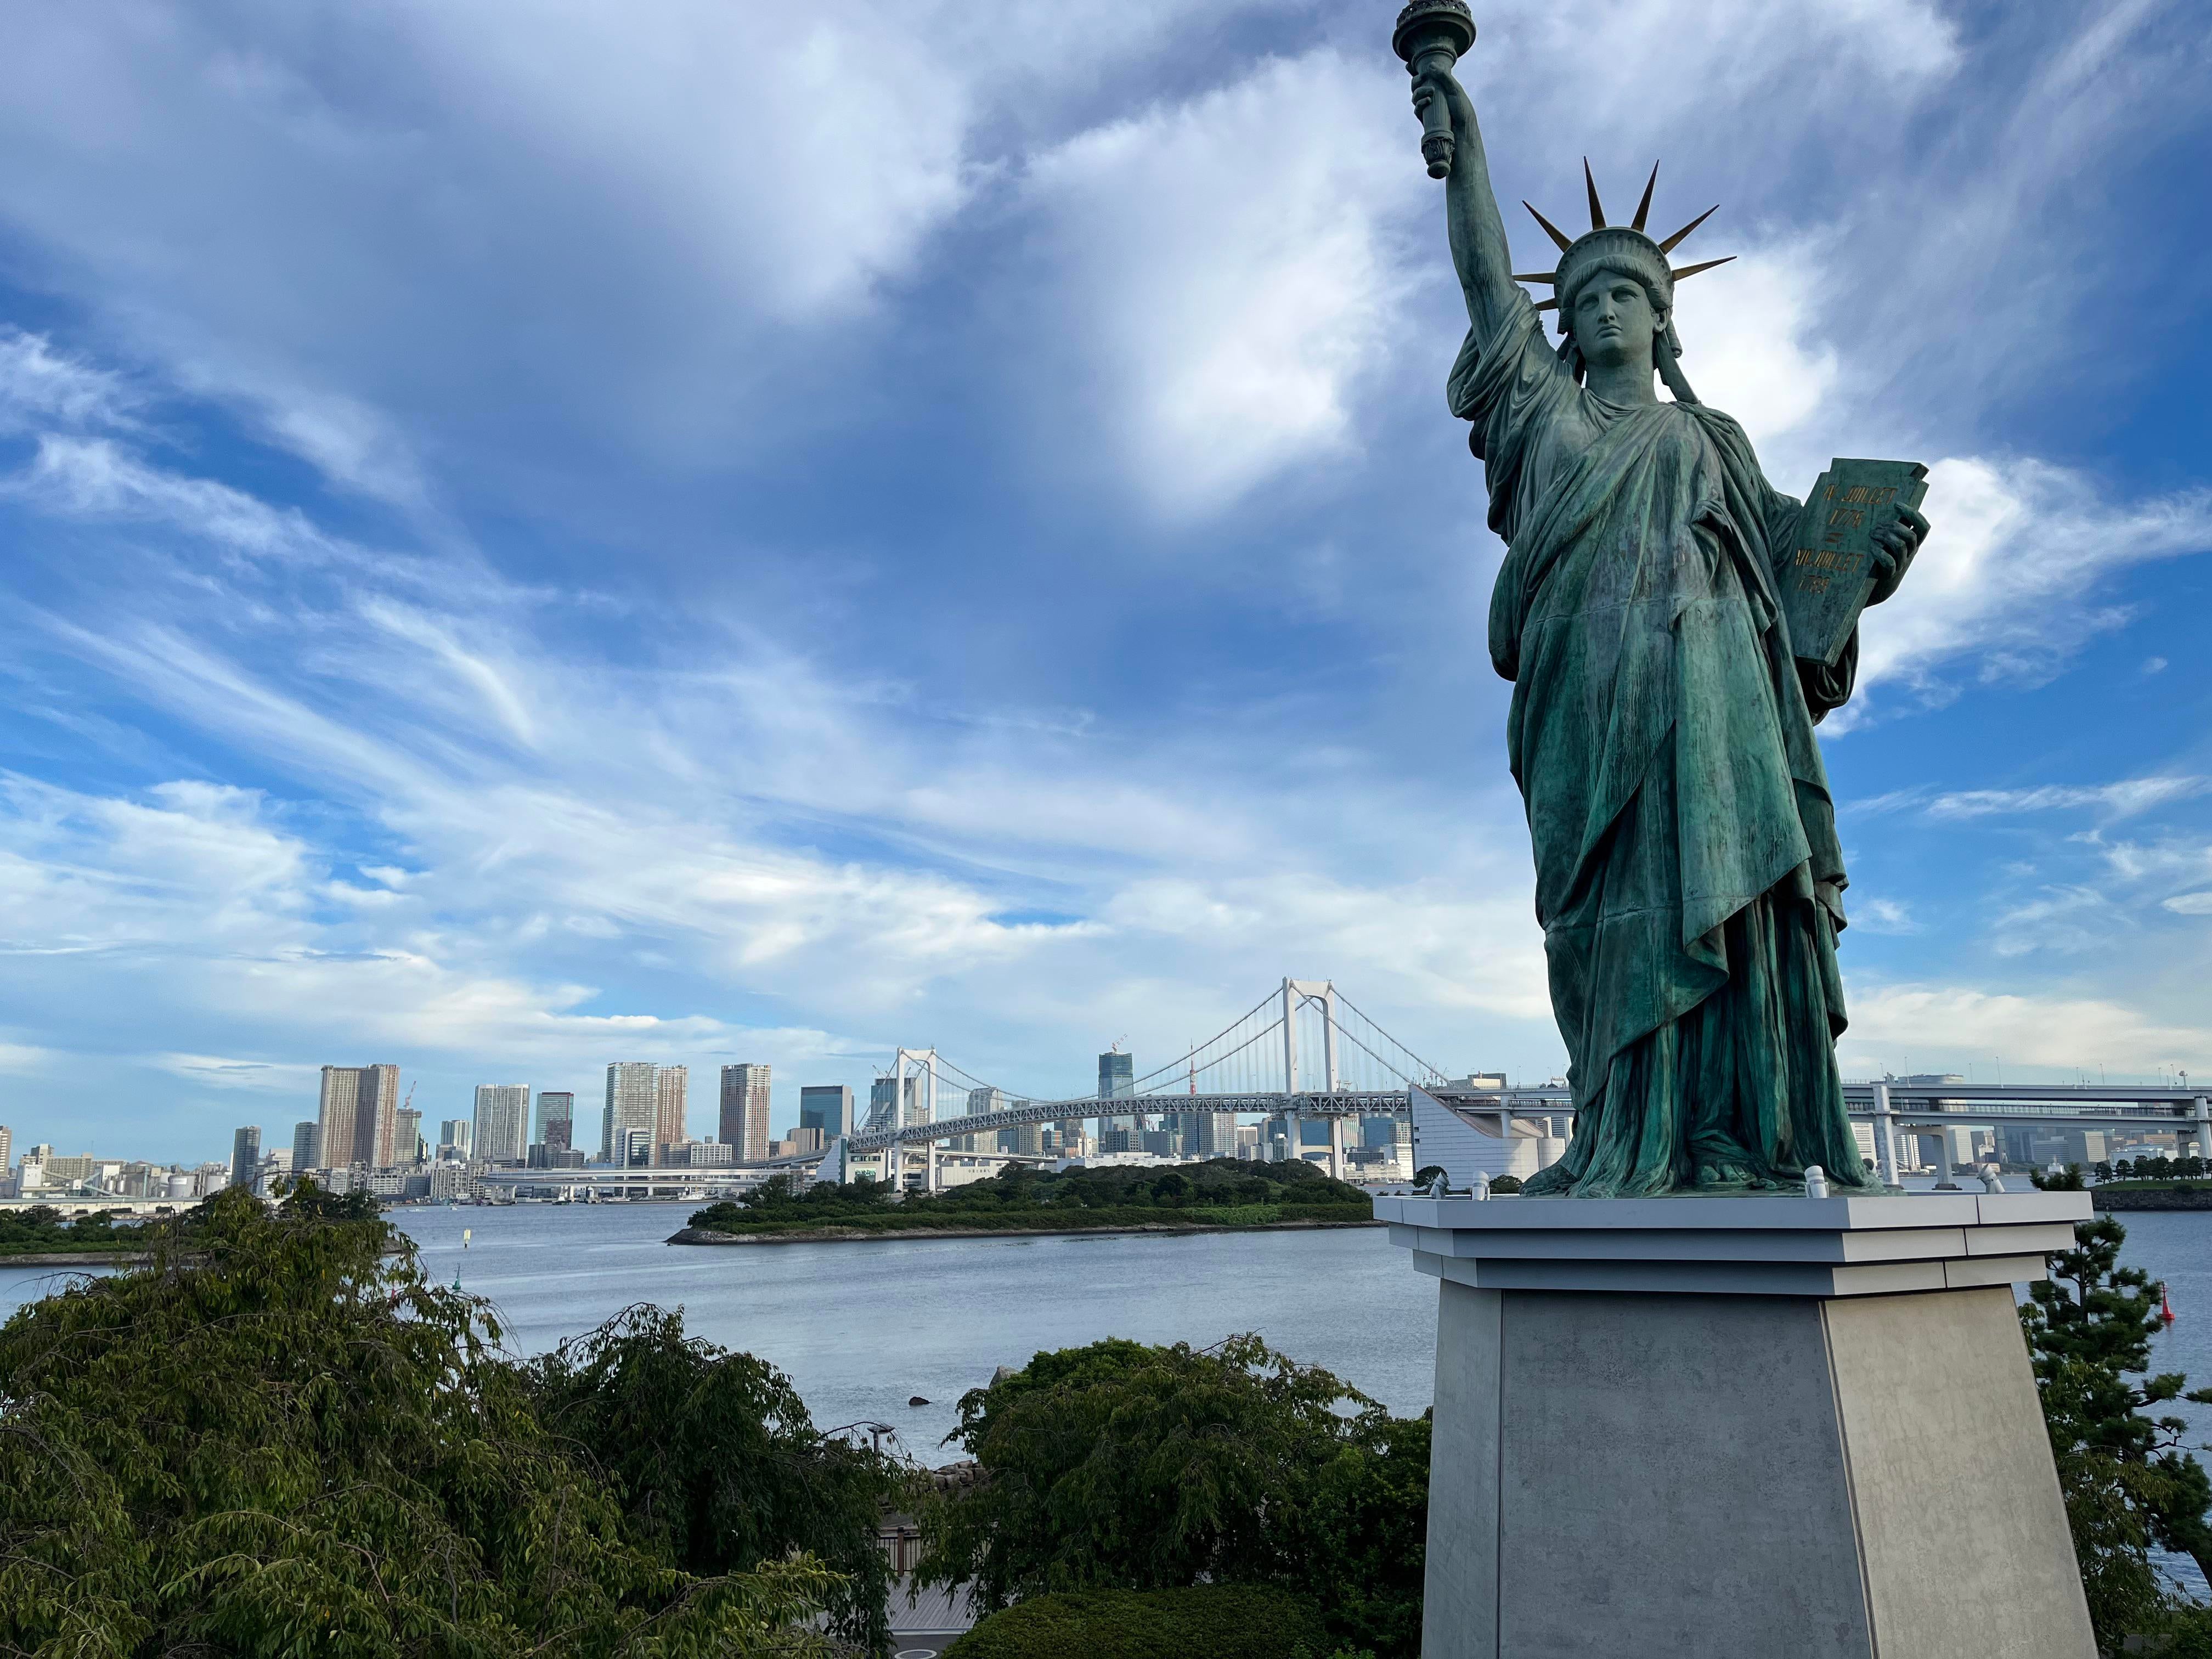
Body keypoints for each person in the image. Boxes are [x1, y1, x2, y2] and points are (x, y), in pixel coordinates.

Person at [1412, 63, 1928, 1197]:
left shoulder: (1715, 442)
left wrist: (1872, 564)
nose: (1600, 311)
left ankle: (1722, 1134)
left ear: (1660, 318)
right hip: (1578, 693)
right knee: (1594, 917)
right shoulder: (1538, 413)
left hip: (1711, 701)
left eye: (1623, 297)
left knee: (1721, 902)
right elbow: (1487, 281)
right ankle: (1619, 1127)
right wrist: (1467, 138)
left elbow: (1801, 589)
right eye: (1584, 299)